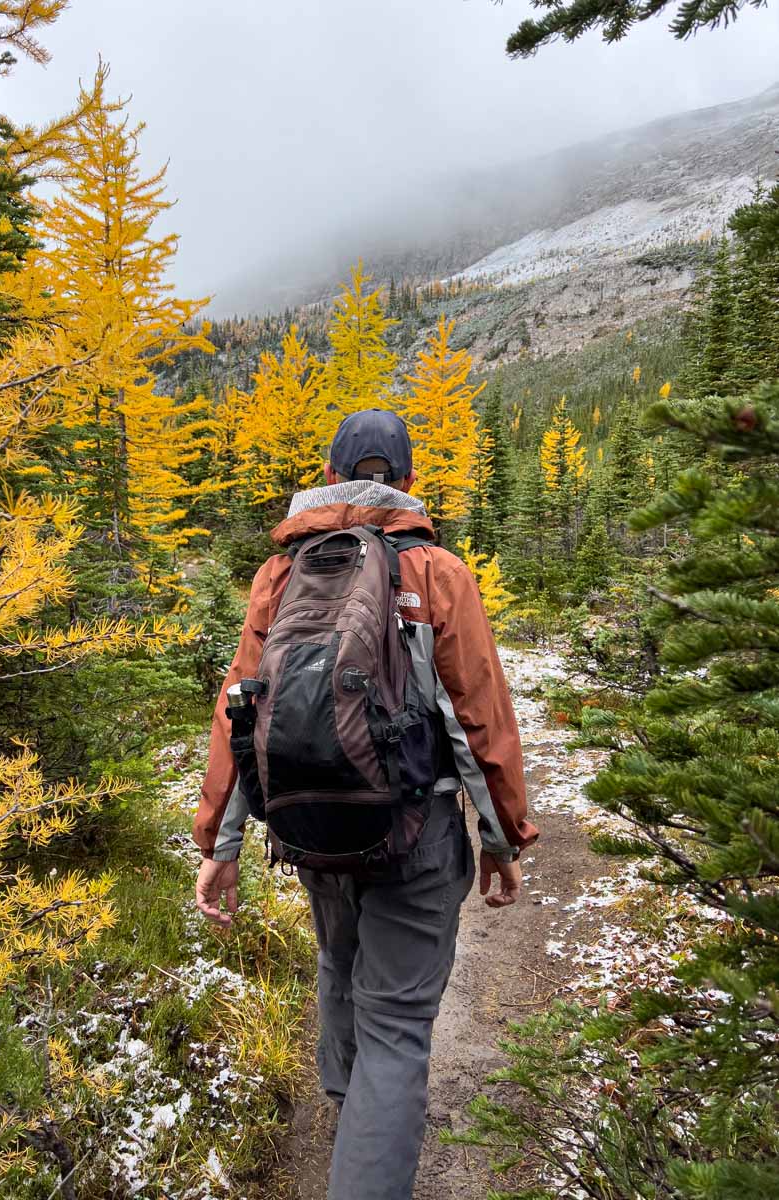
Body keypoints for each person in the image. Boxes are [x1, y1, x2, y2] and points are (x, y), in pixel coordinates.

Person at [193, 409, 538, 1200]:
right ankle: (368, 1155)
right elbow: (476, 713)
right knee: (397, 1027)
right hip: (417, 836)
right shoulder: (437, 572)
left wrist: (222, 842)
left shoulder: (281, 574)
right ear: (409, 480)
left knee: (338, 964)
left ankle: (351, 1121)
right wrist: (502, 837)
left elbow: (241, 711)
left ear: (327, 474)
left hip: (312, 827)